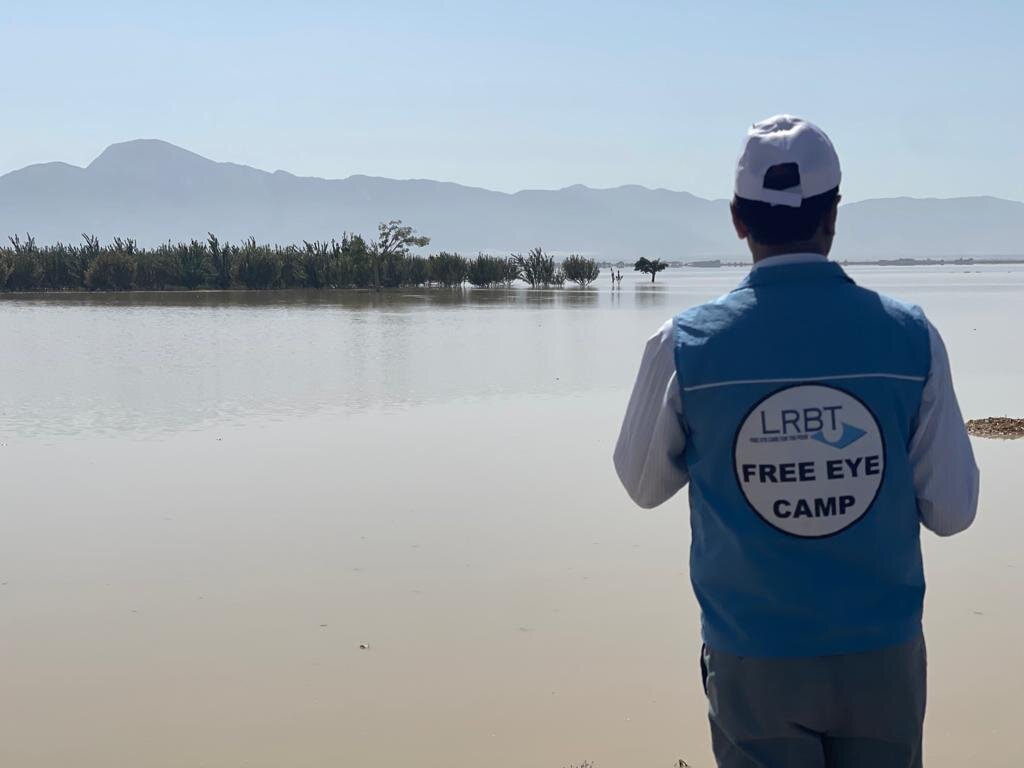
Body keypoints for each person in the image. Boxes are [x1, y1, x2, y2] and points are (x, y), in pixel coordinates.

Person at [613, 115, 979, 768]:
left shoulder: (684, 346)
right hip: (883, 659)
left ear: (738, 220)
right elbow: (952, 511)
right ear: (833, 216)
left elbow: (642, 486)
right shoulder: (910, 337)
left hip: (752, 657)